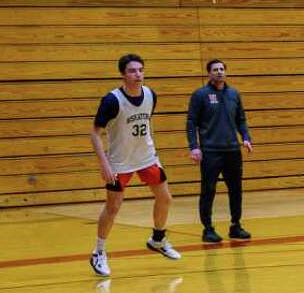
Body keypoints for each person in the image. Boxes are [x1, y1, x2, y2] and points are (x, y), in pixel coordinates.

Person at [88, 53, 179, 277]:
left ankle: (158, 239)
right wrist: (104, 164)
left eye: (140, 70)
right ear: (122, 75)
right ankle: (98, 253)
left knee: (165, 198)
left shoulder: (150, 95)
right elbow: (95, 133)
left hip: (146, 157)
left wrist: (152, 149)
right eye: (132, 71)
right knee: (113, 208)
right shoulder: (112, 100)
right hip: (120, 162)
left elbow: (145, 123)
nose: (138, 74)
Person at [186, 57, 253, 244]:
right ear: (209, 73)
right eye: (215, 69)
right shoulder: (200, 95)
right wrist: (194, 146)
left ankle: (236, 226)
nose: (219, 72)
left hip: (232, 150)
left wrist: (246, 138)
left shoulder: (234, 94)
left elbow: (241, 119)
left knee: (236, 190)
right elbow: (191, 123)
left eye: (222, 69)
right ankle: (207, 228)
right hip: (210, 151)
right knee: (208, 190)